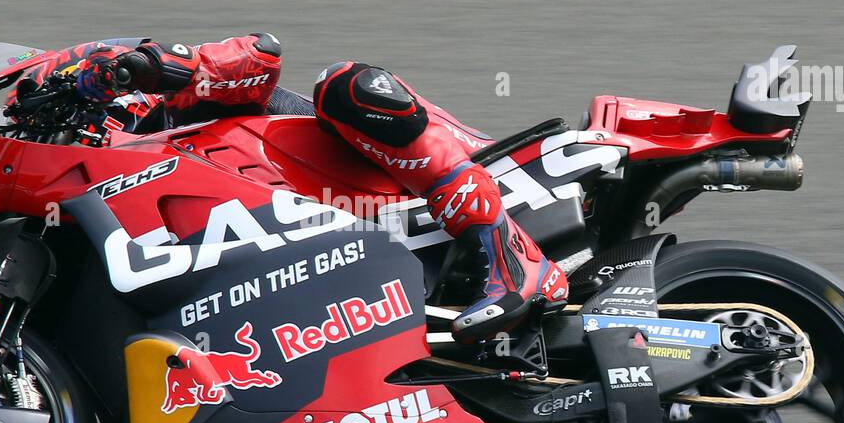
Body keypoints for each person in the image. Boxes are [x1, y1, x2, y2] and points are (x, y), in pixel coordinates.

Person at [33, 33, 569, 341]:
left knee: (346, 82)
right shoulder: (103, 194)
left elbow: (261, 52)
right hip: (331, 256)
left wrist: (152, 66)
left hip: (413, 183)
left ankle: (509, 258)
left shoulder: (164, 109)